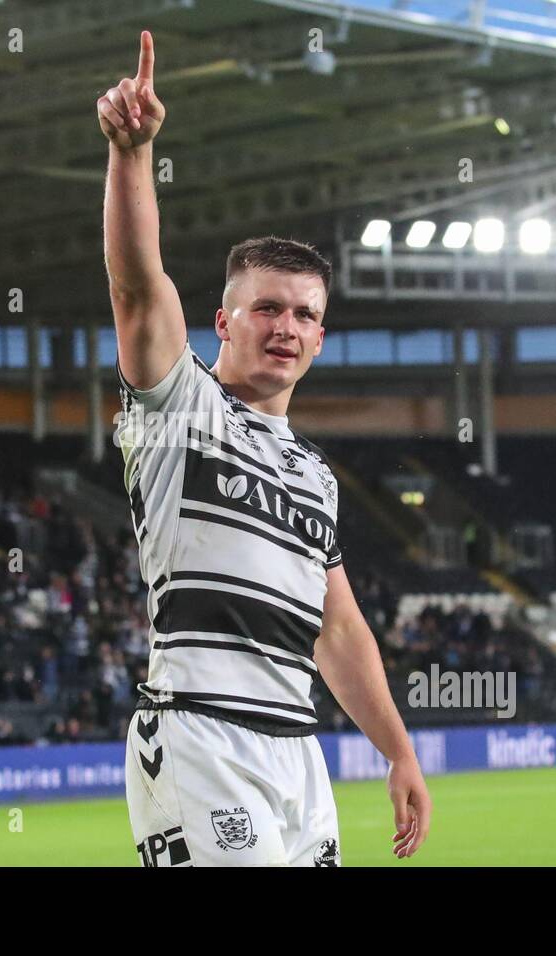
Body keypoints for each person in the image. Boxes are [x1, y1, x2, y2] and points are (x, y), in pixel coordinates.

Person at [99, 30, 430, 867]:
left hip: (298, 751)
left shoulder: (316, 477)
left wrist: (398, 750)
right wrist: (132, 154)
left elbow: (342, 630)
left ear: (321, 338)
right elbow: (139, 287)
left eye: (305, 315)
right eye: (267, 308)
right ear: (223, 322)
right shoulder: (183, 408)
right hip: (198, 735)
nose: (287, 327)